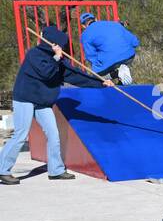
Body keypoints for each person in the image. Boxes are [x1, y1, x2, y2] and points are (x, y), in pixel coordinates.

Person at [0, 25, 106, 186]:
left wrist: (101, 83)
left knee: (53, 134)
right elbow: (47, 72)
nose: (61, 49)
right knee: (20, 134)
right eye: (60, 46)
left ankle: (56, 170)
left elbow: (77, 76)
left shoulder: (59, 62)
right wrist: (57, 58)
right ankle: (3, 170)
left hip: (42, 102)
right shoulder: (34, 55)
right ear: (52, 44)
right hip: (25, 99)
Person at [78, 11, 140, 84]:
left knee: (96, 77)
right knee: (120, 73)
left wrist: (97, 68)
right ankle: (121, 80)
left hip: (111, 60)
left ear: (83, 26)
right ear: (96, 19)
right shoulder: (114, 24)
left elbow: (91, 56)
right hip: (129, 56)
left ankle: (117, 74)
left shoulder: (85, 35)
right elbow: (135, 42)